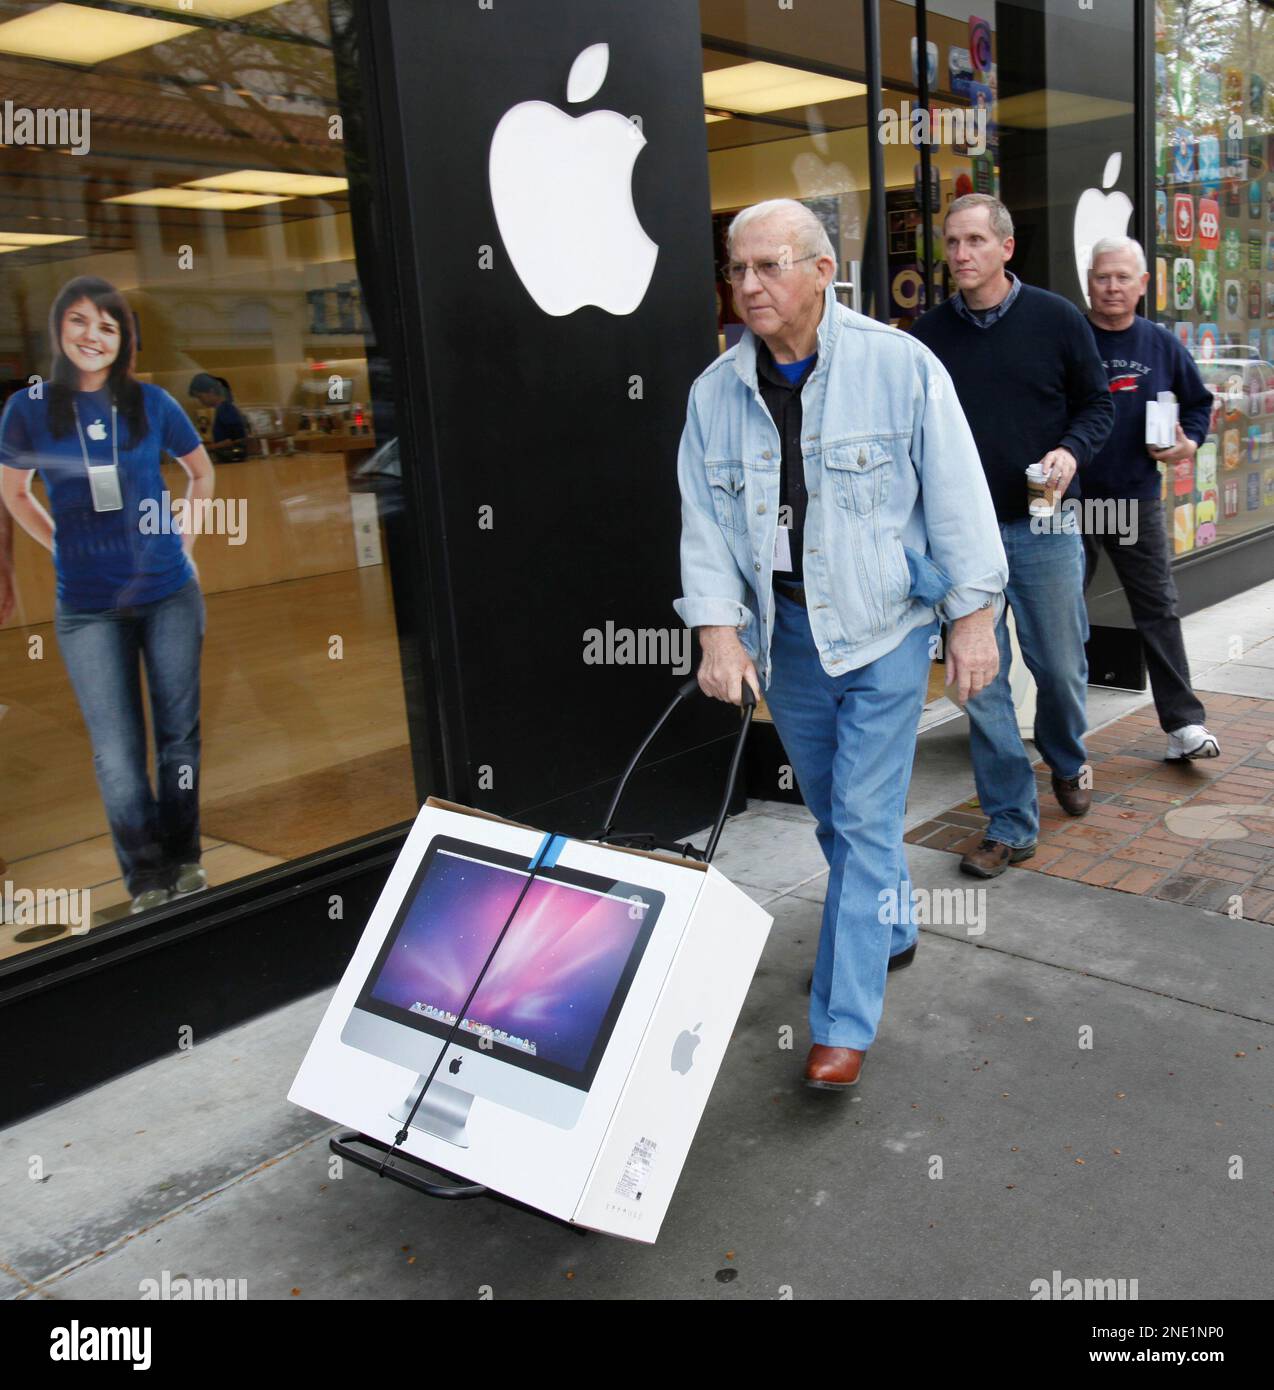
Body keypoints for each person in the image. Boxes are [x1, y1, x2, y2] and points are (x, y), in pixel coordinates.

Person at [675, 198, 1007, 1090]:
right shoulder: (715, 394)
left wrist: (972, 621)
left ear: (823, 271)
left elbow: (959, 500)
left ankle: (841, 1023)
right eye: (737, 269)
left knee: (861, 823)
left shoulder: (900, 368)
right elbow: (704, 527)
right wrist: (717, 629)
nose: (748, 285)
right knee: (833, 815)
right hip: (790, 636)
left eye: (768, 266)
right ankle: (891, 919)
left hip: (885, 630)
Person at [910, 194, 1115, 878]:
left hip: (1045, 523)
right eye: (952, 241)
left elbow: (1097, 404)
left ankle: (1066, 753)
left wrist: (1070, 452)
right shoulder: (928, 335)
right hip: (963, 539)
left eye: (974, 240)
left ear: (1005, 247)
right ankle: (1009, 822)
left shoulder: (1057, 319)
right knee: (981, 682)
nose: (961, 254)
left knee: (1058, 664)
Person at [0, 276, 216, 915]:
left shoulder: (151, 404)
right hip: (88, 608)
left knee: (179, 738)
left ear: (123, 340)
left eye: (108, 325)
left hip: (168, 594)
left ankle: (186, 860)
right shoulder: (29, 409)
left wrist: (186, 544)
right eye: (79, 321)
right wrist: (59, 543)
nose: (92, 335)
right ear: (59, 330)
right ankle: (146, 876)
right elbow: (13, 491)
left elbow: (200, 473)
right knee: (118, 754)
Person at [1082, 236, 1220, 759]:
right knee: (1060, 618)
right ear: (1088, 280)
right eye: (1102, 277)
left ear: (1143, 285)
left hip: (1136, 499)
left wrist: (1187, 443)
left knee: (1157, 609)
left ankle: (1184, 725)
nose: (1112, 287)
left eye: (1123, 278)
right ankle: (1064, 730)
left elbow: (1200, 404)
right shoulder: (1070, 337)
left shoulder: (1161, 345)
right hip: (1070, 502)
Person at [188, 372, 248, 462]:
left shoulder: (225, 409)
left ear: (211, 391)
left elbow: (235, 439)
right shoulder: (222, 409)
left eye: (200, 397)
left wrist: (208, 448)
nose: (200, 401)